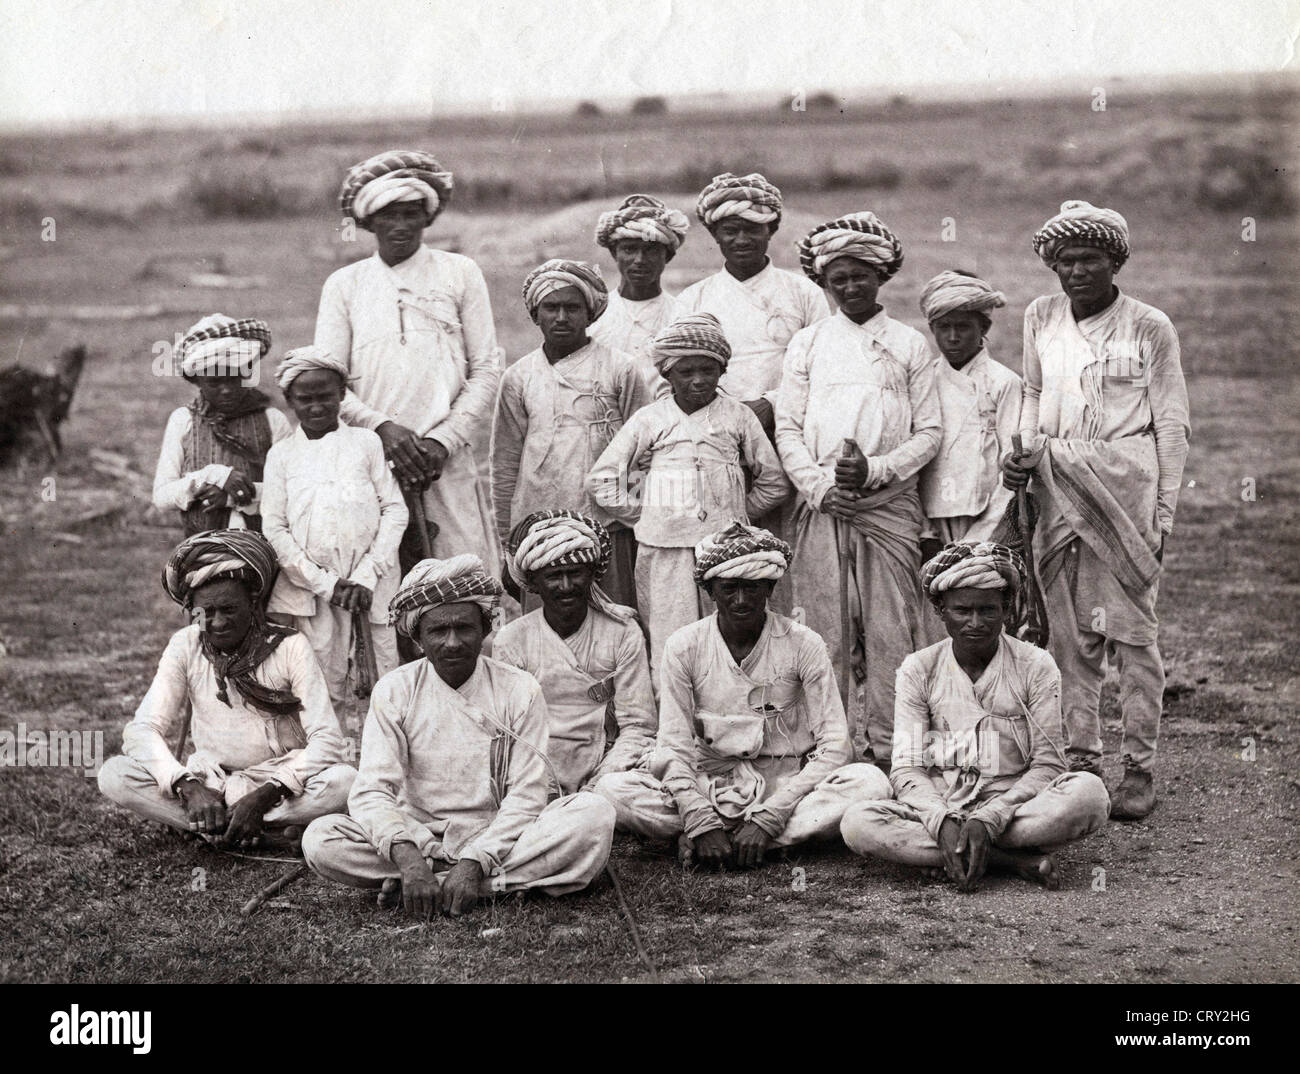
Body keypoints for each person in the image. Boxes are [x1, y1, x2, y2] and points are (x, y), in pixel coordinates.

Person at [1002, 200, 1190, 820]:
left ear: (1116, 261)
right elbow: (1032, 391)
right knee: (1068, 634)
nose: (1077, 271)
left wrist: (1161, 515)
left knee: (1132, 636)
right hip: (1056, 490)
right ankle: (1081, 758)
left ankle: (1140, 768)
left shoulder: (1149, 326)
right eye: (1065, 261)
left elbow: (1170, 422)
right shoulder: (1040, 316)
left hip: (1123, 492)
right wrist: (1026, 451)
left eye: (1090, 259)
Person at [302, 556, 616, 917]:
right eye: (438, 631)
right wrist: (409, 859)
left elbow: (528, 795)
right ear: (417, 637)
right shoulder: (394, 690)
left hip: (497, 835)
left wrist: (475, 861)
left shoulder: (520, 689)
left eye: (464, 628)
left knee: (593, 813)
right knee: (321, 838)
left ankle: (454, 886)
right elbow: (372, 791)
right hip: (418, 836)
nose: (452, 643)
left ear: (485, 629)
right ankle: (483, 884)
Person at [595, 523, 890, 867]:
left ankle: (748, 838)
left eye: (752, 588)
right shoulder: (684, 646)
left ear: (770, 587)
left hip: (784, 783)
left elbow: (836, 745)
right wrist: (697, 812)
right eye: (729, 588)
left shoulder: (803, 642)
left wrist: (771, 815)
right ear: (710, 590)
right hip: (710, 782)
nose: (740, 600)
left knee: (869, 783)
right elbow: (673, 744)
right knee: (613, 790)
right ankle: (723, 832)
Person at [840, 542, 1110, 890]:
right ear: (941, 611)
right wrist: (942, 820)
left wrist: (989, 818)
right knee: (857, 823)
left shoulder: (1036, 665)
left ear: (1006, 611)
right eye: (962, 610)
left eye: (988, 611)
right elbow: (907, 767)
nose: (975, 623)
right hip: (942, 803)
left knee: (1089, 795)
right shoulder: (919, 668)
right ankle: (1010, 861)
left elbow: (1049, 765)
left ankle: (958, 852)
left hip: (1014, 804)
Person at [776, 211, 941, 765]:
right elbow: (788, 428)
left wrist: (875, 470)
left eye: (860, 275)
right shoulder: (807, 343)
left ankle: (896, 749)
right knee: (826, 631)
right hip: (824, 505)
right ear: (823, 282)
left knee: (892, 628)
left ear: (882, 275)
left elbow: (929, 433)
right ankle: (833, 749)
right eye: (838, 278)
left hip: (889, 506)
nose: (850, 287)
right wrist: (821, 487)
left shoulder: (909, 344)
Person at [98, 531, 353, 849]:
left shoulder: (290, 647)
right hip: (212, 784)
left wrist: (264, 796)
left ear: (254, 603)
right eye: (206, 612)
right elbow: (142, 729)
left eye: (229, 610)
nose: (217, 622)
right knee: (114, 774)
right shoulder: (185, 645)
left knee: (344, 781)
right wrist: (187, 786)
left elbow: (327, 740)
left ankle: (220, 828)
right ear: (193, 610)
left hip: (277, 785)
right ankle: (243, 826)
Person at [316, 149, 503, 580]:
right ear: (368, 222)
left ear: (427, 217)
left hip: (447, 461)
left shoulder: (460, 272)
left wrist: (442, 441)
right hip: (371, 460)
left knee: (462, 577)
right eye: (387, 215)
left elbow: (486, 369)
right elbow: (327, 383)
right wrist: (383, 430)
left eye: (410, 214)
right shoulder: (345, 285)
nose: (400, 226)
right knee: (380, 586)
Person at [586, 314, 789, 682]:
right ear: (667, 374)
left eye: (707, 370)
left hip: (727, 552)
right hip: (664, 552)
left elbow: (773, 481)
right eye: (686, 371)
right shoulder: (650, 419)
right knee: (669, 640)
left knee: (730, 637)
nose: (698, 380)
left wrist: (738, 518)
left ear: (721, 370)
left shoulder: (738, 416)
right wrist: (643, 514)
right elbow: (603, 479)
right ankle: (672, 726)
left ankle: (728, 721)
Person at [261, 346, 408, 725]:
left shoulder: (366, 443)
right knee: (325, 685)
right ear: (289, 401)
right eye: (304, 399)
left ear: (342, 394)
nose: (316, 406)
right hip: (314, 593)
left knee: (384, 679)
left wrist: (367, 574)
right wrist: (325, 583)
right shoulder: (282, 456)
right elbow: (275, 528)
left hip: (372, 587)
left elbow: (394, 509)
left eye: (325, 396)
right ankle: (332, 767)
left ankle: (383, 765)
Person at [491, 259, 650, 608]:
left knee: (617, 619)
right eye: (551, 307)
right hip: (540, 529)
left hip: (610, 525)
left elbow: (644, 453)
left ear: (590, 313)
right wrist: (509, 544)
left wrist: (635, 519)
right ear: (535, 314)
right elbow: (505, 464)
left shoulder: (620, 368)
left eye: (572, 307)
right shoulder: (519, 377)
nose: (561, 317)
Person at [493, 511, 657, 801]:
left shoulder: (622, 632)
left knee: (623, 792)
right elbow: (511, 732)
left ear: (592, 575)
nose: (567, 586)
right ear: (535, 582)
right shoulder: (512, 640)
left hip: (608, 763)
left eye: (575, 573)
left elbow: (638, 726)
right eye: (554, 576)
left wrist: (599, 783)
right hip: (539, 767)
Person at [677, 173, 829, 437]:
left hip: (791, 429)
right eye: (731, 231)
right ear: (715, 235)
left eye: (752, 229)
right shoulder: (692, 300)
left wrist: (771, 404)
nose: (742, 239)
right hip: (712, 430)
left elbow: (823, 369)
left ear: (771, 229)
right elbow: (678, 373)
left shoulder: (805, 293)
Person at [152, 313, 291, 535]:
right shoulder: (183, 420)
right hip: (200, 551)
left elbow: (291, 490)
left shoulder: (273, 420)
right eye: (214, 382)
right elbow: (162, 497)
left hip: (267, 549)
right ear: (196, 379)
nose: (226, 389)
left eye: (233, 378)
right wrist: (210, 477)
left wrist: (233, 497)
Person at [917, 270, 1021, 554]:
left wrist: (986, 532)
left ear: (983, 328)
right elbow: (915, 457)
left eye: (963, 327)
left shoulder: (1004, 383)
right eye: (943, 327)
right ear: (932, 327)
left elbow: (1011, 465)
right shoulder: (923, 380)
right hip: (933, 521)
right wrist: (925, 532)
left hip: (988, 517)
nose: (952, 337)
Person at [588, 193, 690, 391]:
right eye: (629, 249)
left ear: (667, 256)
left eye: (651, 250)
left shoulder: (682, 317)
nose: (640, 260)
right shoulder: (592, 315)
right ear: (613, 253)